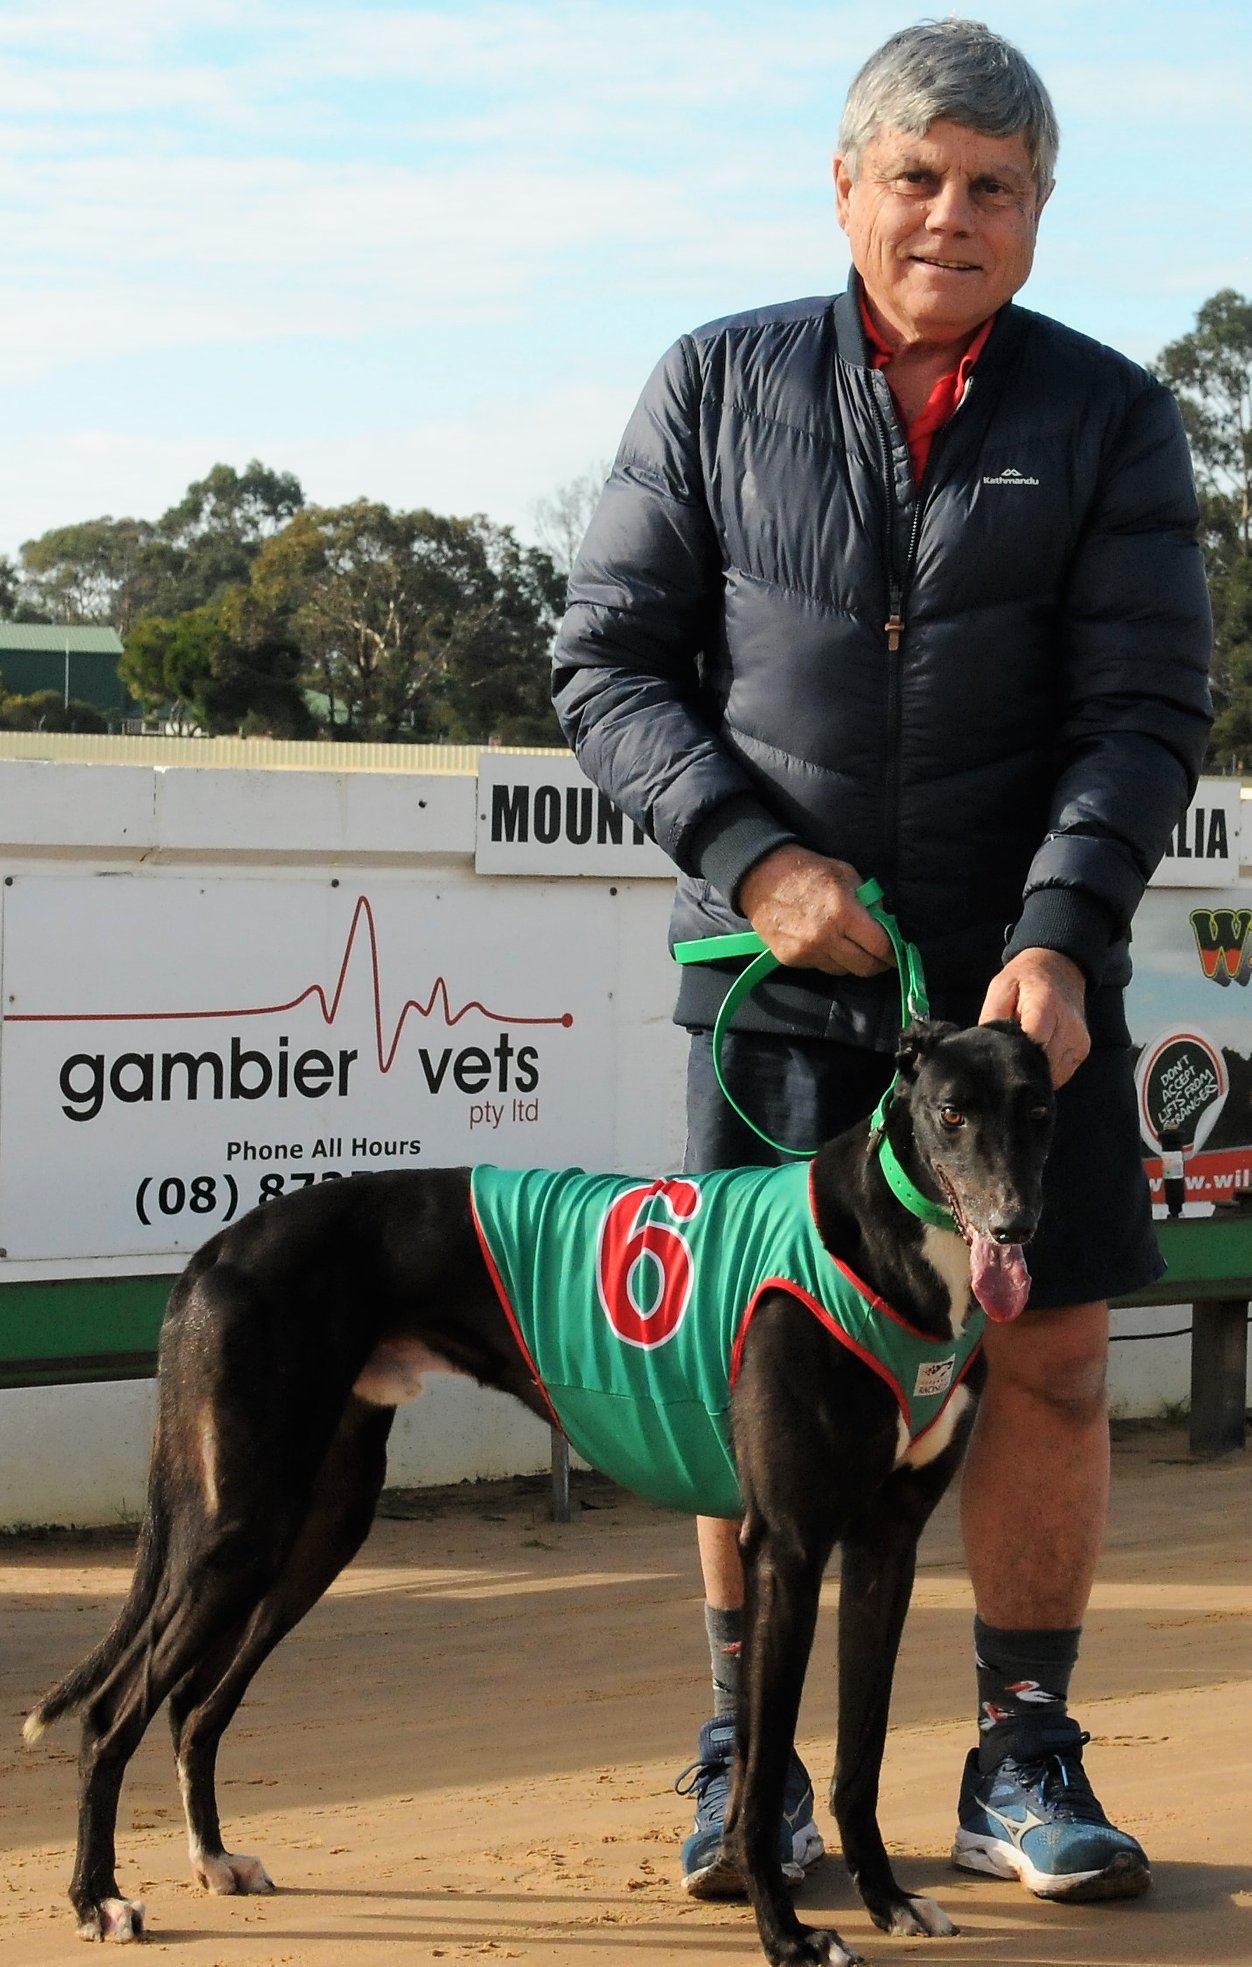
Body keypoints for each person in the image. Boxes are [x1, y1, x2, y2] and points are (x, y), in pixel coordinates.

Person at [551, 16, 1212, 1908]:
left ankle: (1023, 1756)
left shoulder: (1112, 414)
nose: (950, 215)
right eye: (916, 177)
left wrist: (1062, 938)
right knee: (751, 1369)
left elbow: (1145, 711)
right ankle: (745, 1759)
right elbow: (608, 663)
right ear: (845, 187)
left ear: (1039, 210)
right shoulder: (713, 379)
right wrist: (752, 862)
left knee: (1051, 1354)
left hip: (1018, 1002)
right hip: (777, 976)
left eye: (993, 186)